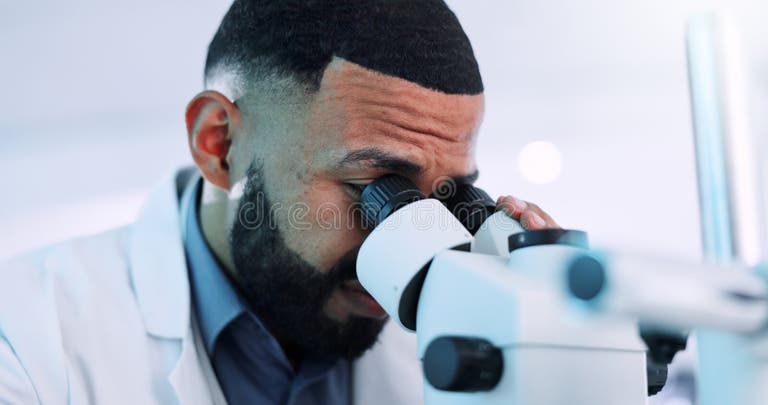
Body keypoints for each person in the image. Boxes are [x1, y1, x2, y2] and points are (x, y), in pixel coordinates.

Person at [0, 1, 559, 404]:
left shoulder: (461, 335)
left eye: (447, 198)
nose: (420, 245)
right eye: (379, 189)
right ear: (218, 144)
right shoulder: (26, 342)